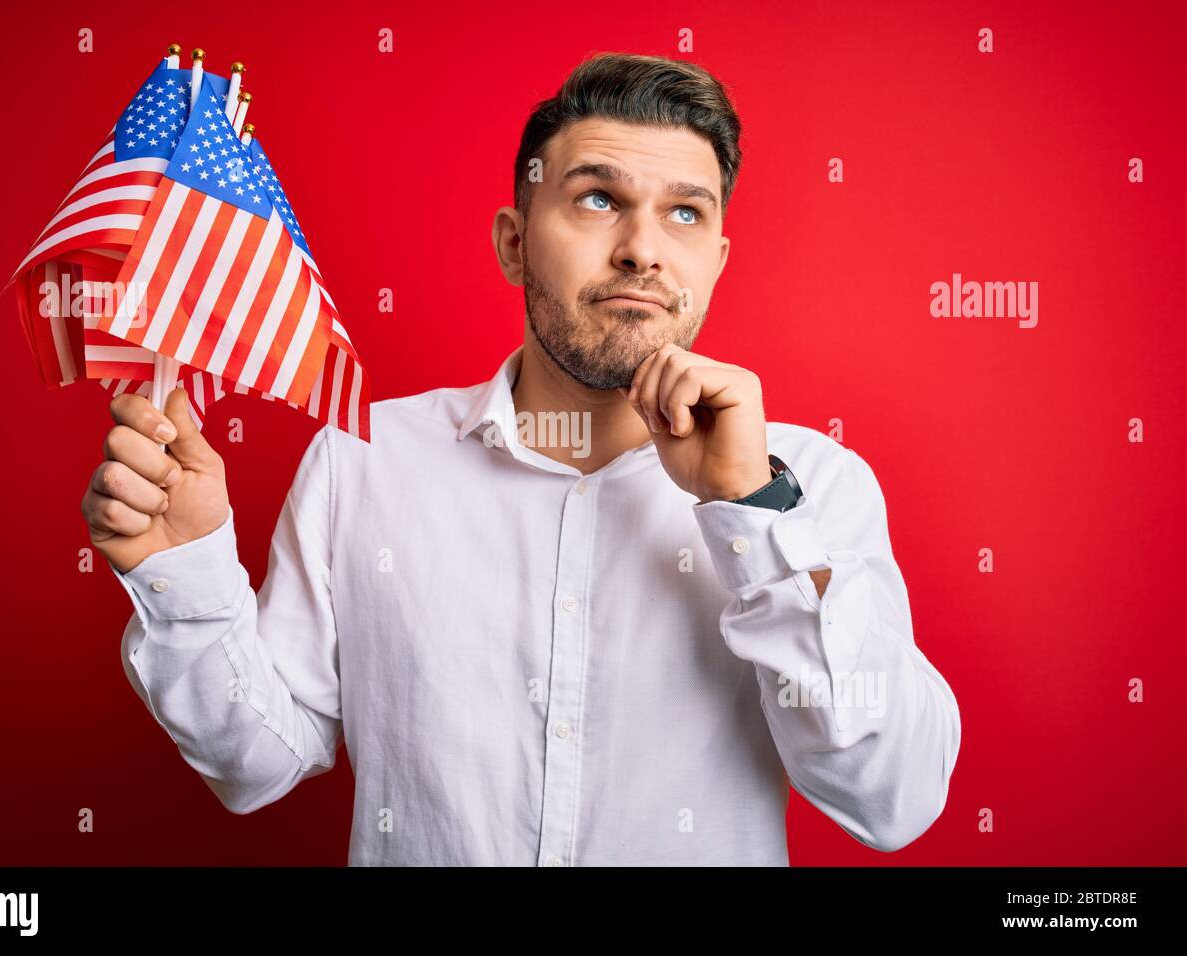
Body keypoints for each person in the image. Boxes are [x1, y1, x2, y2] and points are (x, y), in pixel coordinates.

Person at [81, 51, 961, 866]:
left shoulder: (811, 484)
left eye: (684, 213)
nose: (643, 250)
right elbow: (256, 765)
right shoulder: (364, 461)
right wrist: (183, 575)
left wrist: (752, 511)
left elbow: (891, 799)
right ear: (513, 241)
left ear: (716, 261)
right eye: (596, 199)